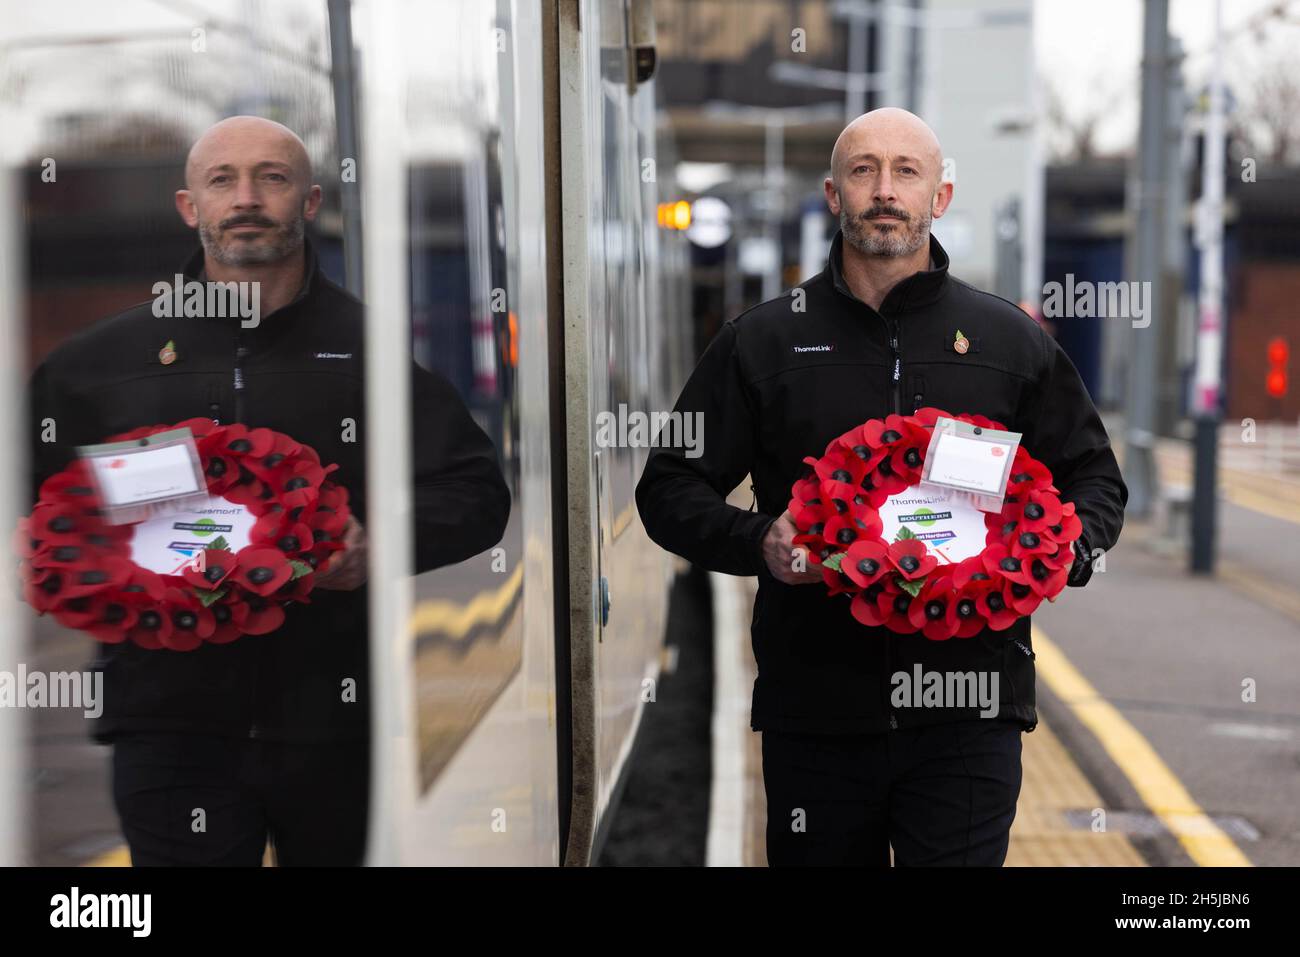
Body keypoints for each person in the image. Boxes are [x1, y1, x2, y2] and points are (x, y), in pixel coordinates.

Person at [636, 108, 1127, 867]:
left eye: (907, 171)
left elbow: (1095, 478)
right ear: (834, 196)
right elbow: (669, 485)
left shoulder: (1010, 342)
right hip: (816, 717)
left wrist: (1073, 550)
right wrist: (755, 539)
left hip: (970, 716)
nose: (885, 190)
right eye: (864, 170)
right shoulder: (762, 341)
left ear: (940, 197)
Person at [27, 116, 511, 866]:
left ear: (310, 200)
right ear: (190, 207)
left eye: (272, 177)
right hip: (165, 725)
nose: (246, 197)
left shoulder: (371, 354)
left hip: (333, 723)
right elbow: (36, 500)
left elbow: (476, 492)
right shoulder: (99, 363)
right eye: (223, 179)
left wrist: (379, 546)